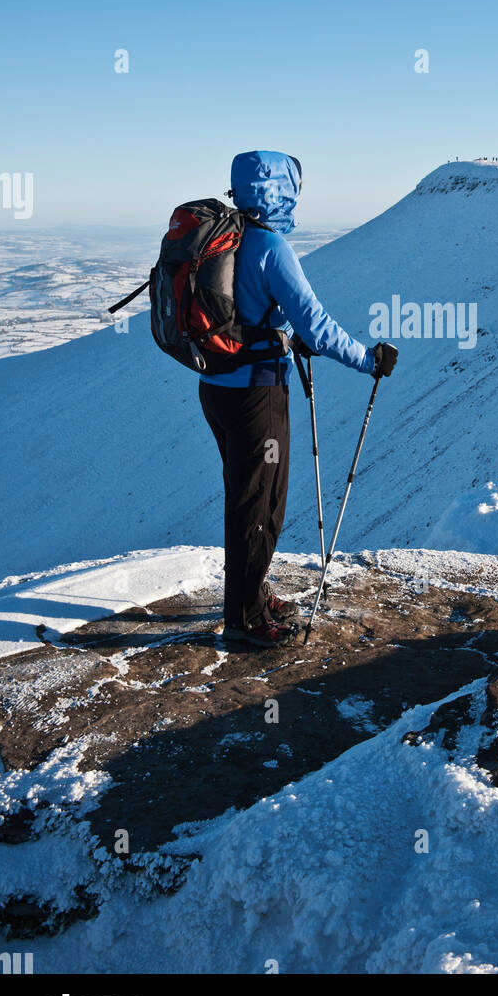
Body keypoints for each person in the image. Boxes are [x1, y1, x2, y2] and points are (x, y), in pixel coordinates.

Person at [198, 150, 398, 648]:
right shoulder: (270, 246)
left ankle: (252, 593)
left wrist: (283, 334)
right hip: (256, 394)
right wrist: (369, 361)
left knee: (245, 497)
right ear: (279, 190)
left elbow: (253, 314)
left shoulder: (224, 239)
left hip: (216, 388)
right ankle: (244, 618)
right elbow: (319, 327)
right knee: (262, 504)